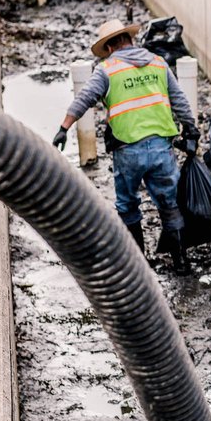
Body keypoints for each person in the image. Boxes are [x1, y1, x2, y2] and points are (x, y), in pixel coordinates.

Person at [52, 18, 199, 273]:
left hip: (128, 150)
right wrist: (192, 130)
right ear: (130, 40)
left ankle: (140, 266)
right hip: (161, 148)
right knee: (169, 203)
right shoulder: (158, 63)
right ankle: (181, 263)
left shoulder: (107, 70)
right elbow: (180, 102)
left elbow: (84, 99)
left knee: (128, 205)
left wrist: (64, 128)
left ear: (109, 47)